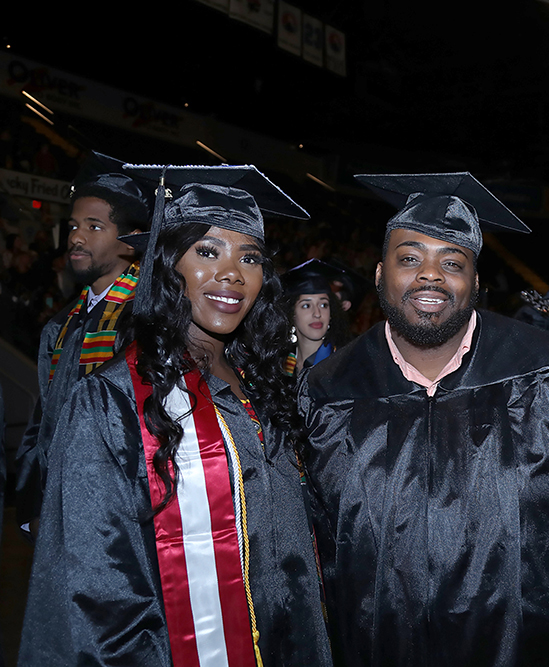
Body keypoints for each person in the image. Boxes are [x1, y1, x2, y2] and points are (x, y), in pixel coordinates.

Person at [301, 171, 549, 667]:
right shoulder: (328, 391)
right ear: (380, 274)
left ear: (475, 282)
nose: (430, 275)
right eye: (410, 258)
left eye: (452, 262)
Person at [18, 165, 333, 667]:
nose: (232, 273)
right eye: (207, 252)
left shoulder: (264, 385)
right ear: (167, 265)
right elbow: (94, 594)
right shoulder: (113, 400)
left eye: (249, 257)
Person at [15, 152, 149, 537]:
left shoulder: (146, 320)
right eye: (74, 225)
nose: (75, 236)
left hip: (121, 518)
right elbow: (42, 423)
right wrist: (34, 507)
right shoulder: (61, 325)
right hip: (56, 508)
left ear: (129, 243)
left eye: (94, 226)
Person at [282, 258, 341, 373]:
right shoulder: (279, 364)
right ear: (291, 313)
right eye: (306, 306)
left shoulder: (341, 366)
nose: (317, 314)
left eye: (323, 305)